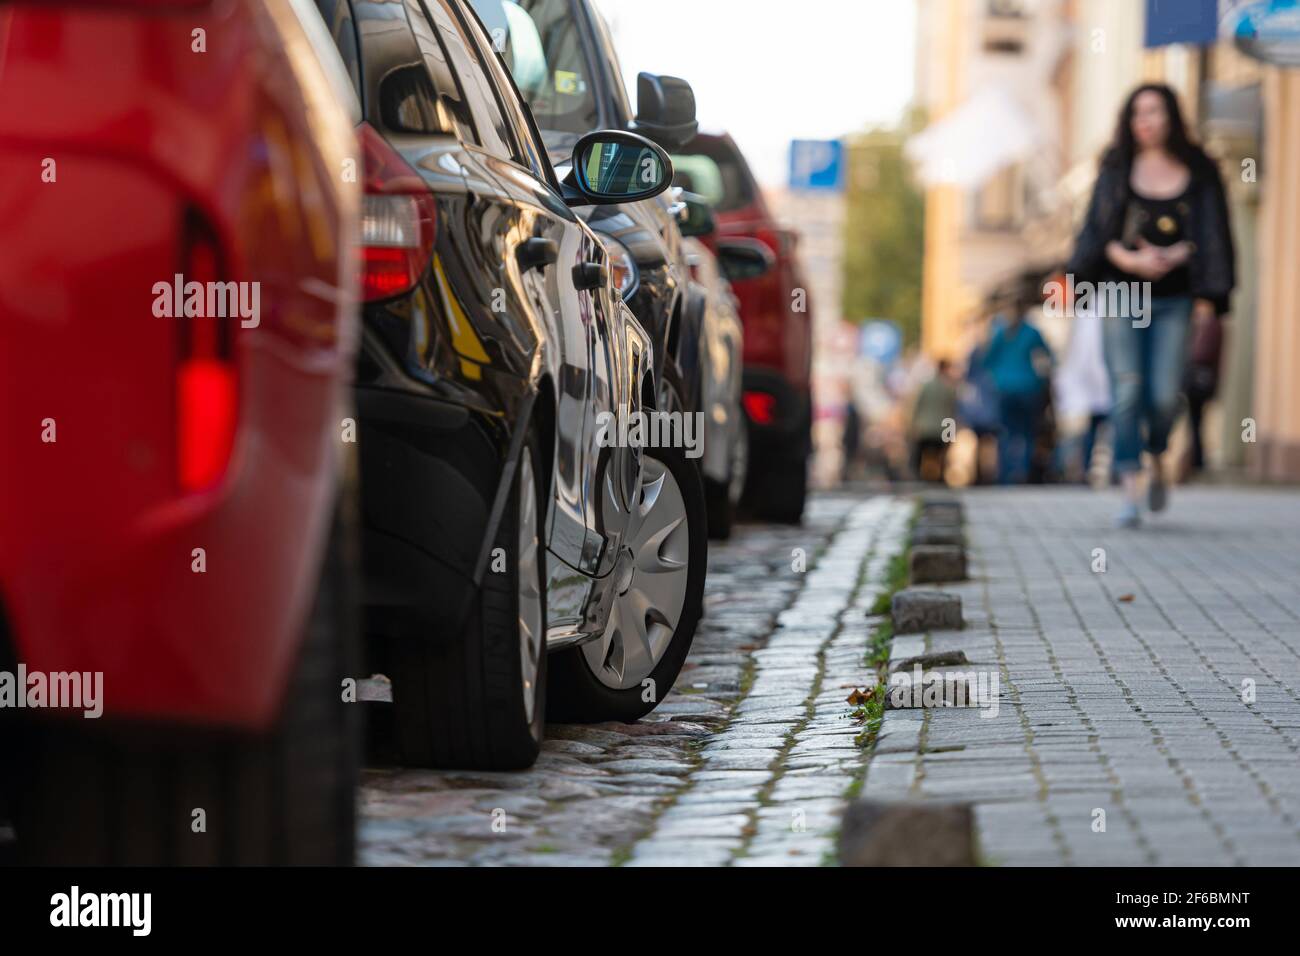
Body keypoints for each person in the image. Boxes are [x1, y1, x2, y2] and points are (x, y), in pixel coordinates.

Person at [1068, 83, 1235, 527]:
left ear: (1171, 116)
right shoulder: (1117, 165)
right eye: (1138, 112)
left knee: (1163, 396)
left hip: (1174, 298)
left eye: (1156, 111)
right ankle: (1130, 486)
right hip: (1122, 293)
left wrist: (1182, 254)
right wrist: (1129, 258)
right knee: (1126, 389)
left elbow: (1213, 232)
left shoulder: (1199, 169)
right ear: (1129, 119)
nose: (1147, 120)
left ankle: (1157, 452)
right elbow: (1097, 231)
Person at [982, 308, 1053, 485]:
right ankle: (1024, 473)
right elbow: (1048, 356)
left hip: (1004, 388)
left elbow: (986, 361)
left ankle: (1005, 476)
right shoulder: (1032, 331)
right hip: (1029, 387)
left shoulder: (999, 332)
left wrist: (997, 376)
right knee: (1027, 433)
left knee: (1005, 433)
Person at [909, 360, 958, 483]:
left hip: (925, 427)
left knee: (921, 454)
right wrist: (951, 434)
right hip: (942, 429)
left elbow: (918, 406)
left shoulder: (926, 386)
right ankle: (939, 478)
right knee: (940, 456)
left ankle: (918, 478)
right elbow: (951, 412)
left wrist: (915, 424)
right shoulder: (950, 388)